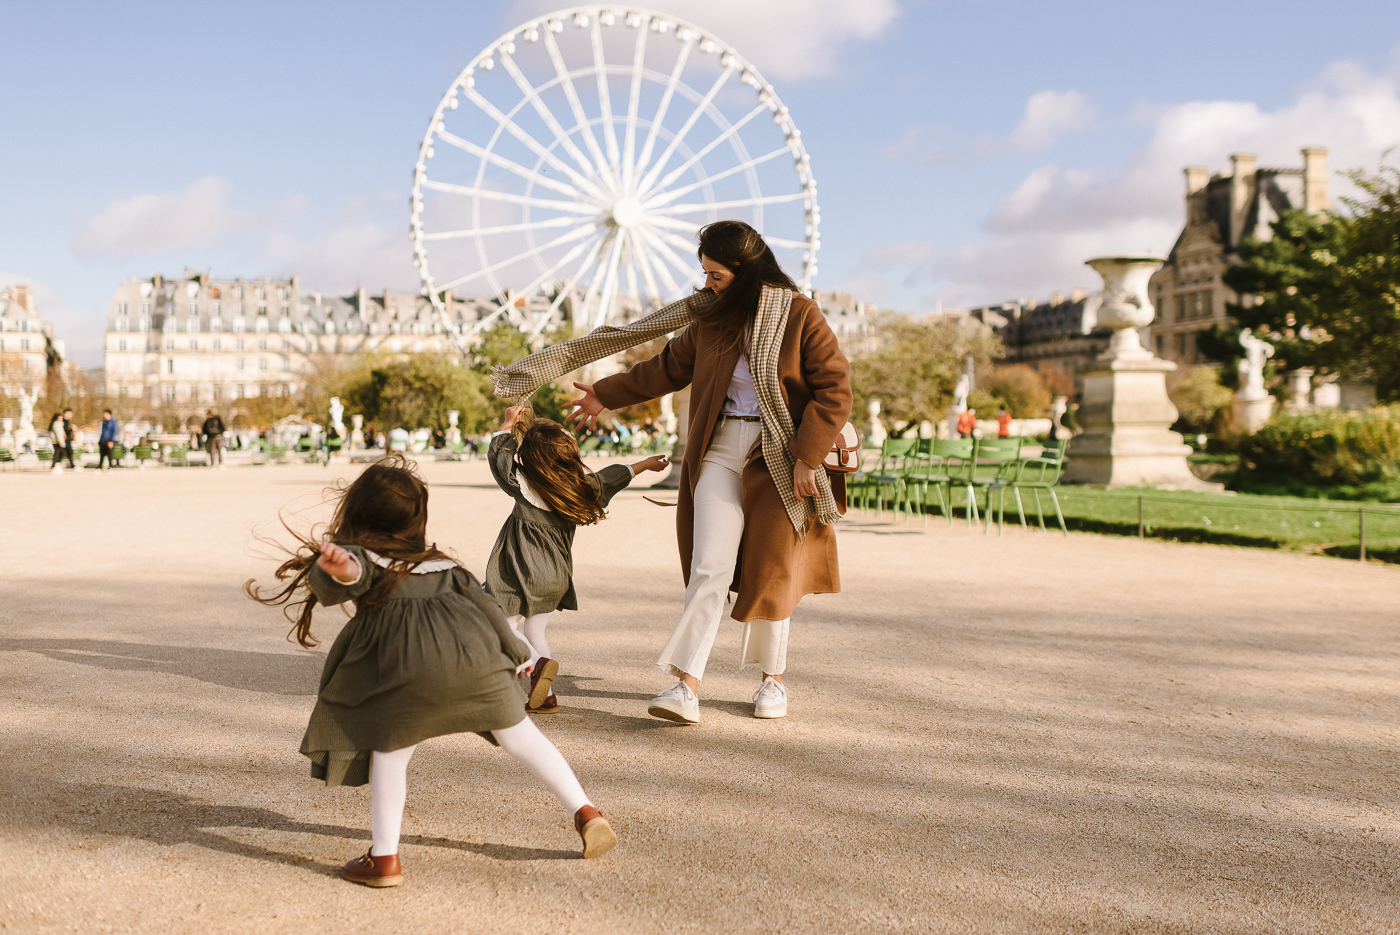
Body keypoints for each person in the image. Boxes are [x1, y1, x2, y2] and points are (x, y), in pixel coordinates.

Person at [246, 456, 617, 888]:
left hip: (411, 678)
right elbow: (489, 608)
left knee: (390, 756)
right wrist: (519, 651)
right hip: (479, 669)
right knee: (525, 740)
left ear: (358, 513)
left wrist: (343, 568)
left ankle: (384, 858)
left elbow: (350, 575)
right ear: (416, 520)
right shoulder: (444, 565)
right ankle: (586, 812)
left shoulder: (367, 561)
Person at [560, 220, 852, 724]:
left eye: (716, 275)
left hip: (778, 454)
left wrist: (808, 458)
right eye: (706, 274)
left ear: (747, 270)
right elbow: (667, 368)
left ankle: (772, 680)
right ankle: (685, 685)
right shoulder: (710, 319)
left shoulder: (799, 313)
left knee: (772, 567)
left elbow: (835, 389)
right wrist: (604, 394)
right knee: (709, 565)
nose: (708, 284)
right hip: (718, 447)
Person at [486, 405, 668, 714]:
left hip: (522, 571)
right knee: (534, 632)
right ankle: (545, 697)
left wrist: (506, 425)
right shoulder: (577, 488)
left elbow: (500, 462)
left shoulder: (522, 484)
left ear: (531, 457)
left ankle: (536, 663)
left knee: (499, 623)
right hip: (556, 576)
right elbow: (608, 478)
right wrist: (645, 465)